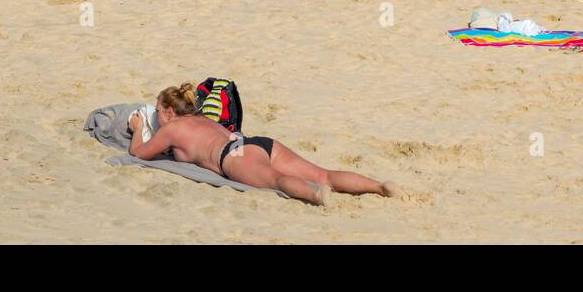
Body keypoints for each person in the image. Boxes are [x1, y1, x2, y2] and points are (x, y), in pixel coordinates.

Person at [127, 83, 398, 206]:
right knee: (323, 173)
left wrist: (139, 128)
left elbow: (139, 153)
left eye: (157, 110)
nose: (156, 116)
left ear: (168, 111)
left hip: (234, 156)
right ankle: (379, 186)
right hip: (255, 142)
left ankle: (316, 195)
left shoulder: (171, 128)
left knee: (278, 181)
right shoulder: (202, 119)